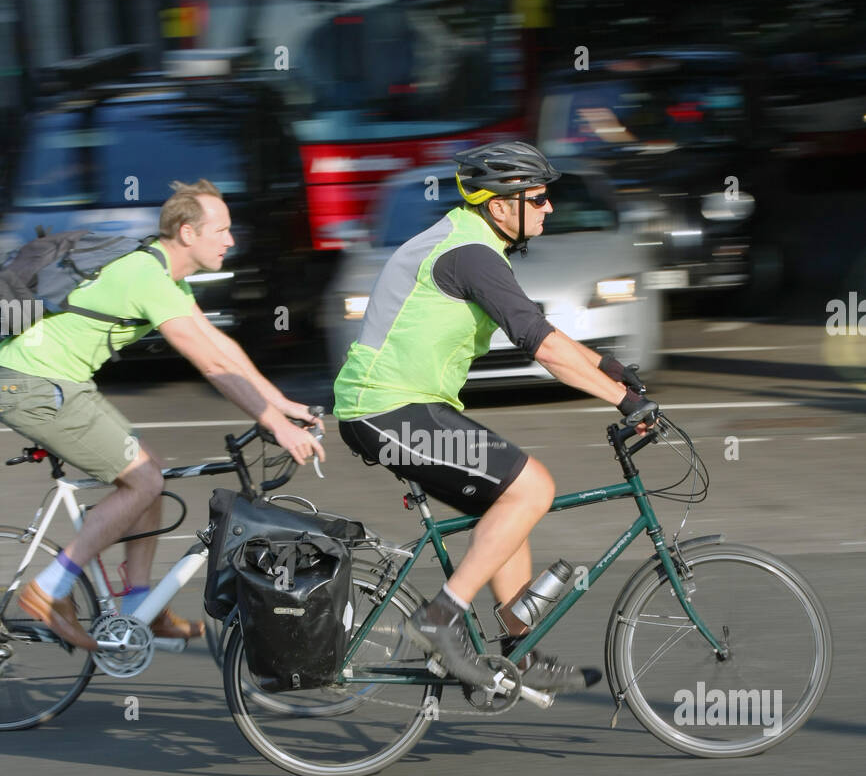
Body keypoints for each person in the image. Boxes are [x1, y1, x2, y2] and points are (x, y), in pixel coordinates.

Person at [334, 141, 654, 691]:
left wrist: (606, 365)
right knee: (533, 488)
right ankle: (438, 620)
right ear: (500, 205)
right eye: (539, 198)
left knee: (511, 502)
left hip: (396, 408)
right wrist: (621, 400)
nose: (549, 207)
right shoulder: (471, 253)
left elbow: (542, 329)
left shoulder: (471, 242)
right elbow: (542, 348)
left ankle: (518, 654)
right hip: (389, 410)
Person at [0, 179, 324, 652]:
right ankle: (50, 589)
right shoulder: (146, 278)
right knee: (144, 481)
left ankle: (138, 605)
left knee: (150, 467)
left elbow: (221, 345)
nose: (231, 240)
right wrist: (276, 427)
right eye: (222, 230)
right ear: (188, 233)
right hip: (31, 383)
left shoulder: (164, 272)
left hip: (55, 382)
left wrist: (280, 403)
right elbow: (211, 366)